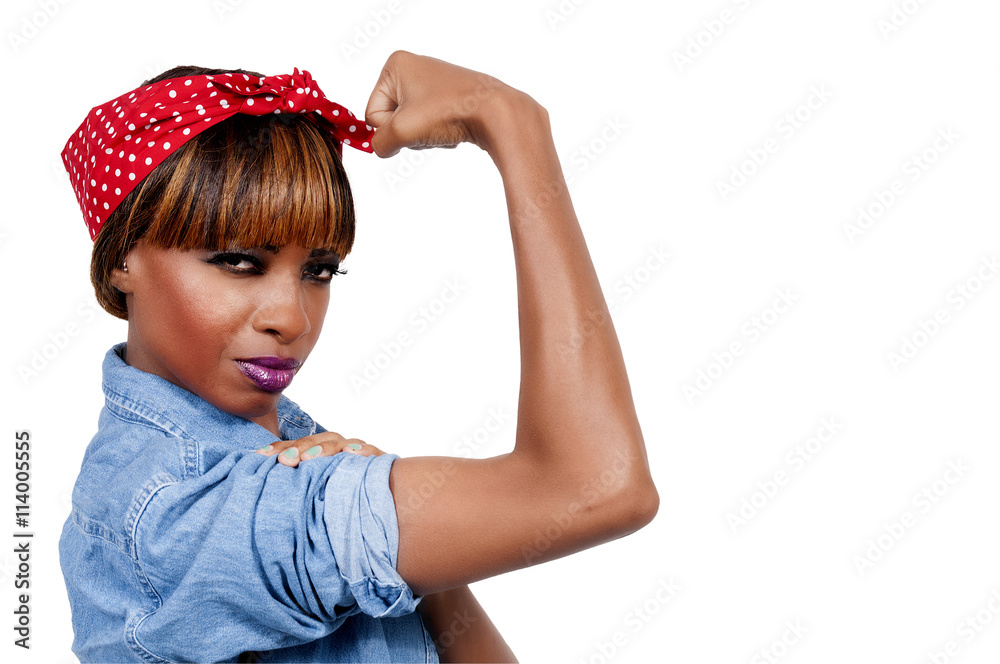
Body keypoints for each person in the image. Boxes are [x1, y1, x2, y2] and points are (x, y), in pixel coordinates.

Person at [59, 51, 659, 663]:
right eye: (239, 261)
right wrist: (511, 123)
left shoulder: (288, 447)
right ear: (120, 260)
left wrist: (412, 567)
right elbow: (599, 487)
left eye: (319, 270)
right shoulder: (191, 511)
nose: (291, 318)